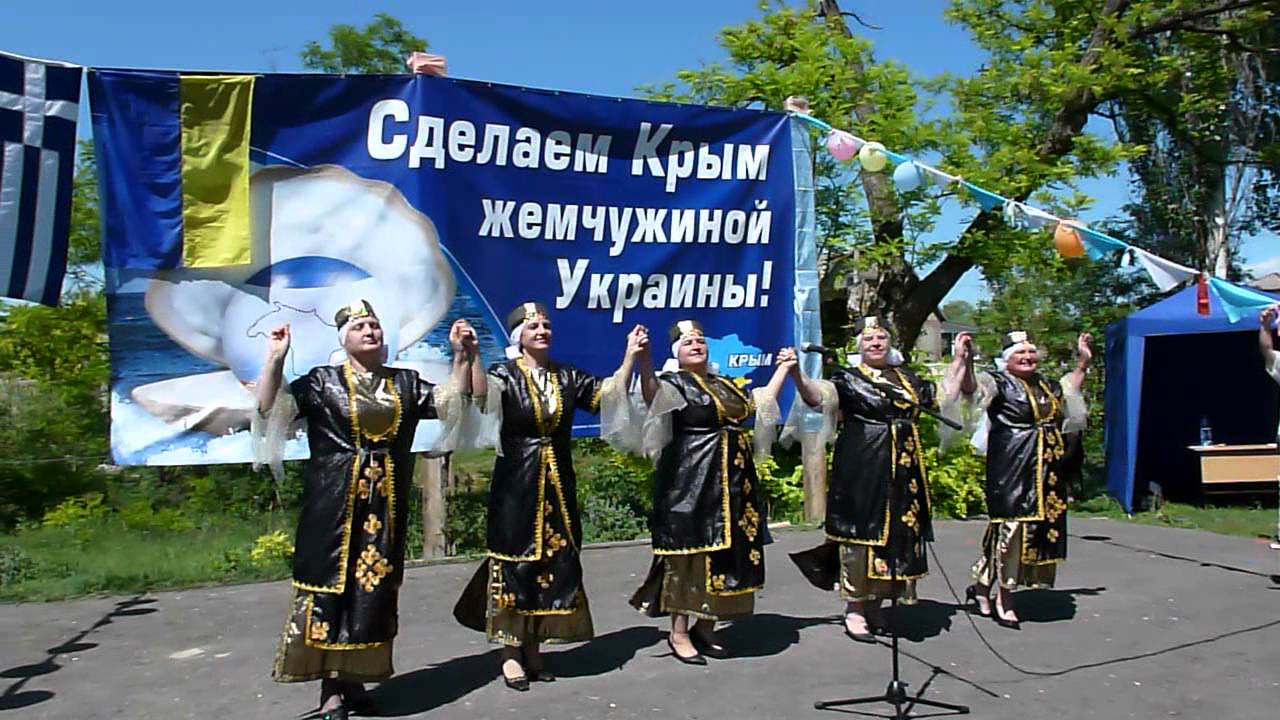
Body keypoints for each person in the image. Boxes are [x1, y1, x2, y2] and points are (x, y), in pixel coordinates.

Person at [256, 300, 483, 720]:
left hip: (384, 505)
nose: (369, 331)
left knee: (371, 591)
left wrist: (460, 356)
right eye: (360, 326)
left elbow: (453, 402)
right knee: (330, 589)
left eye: (375, 325)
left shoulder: (406, 384)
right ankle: (331, 690)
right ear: (343, 339)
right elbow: (272, 408)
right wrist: (274, 359)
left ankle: (354, 680)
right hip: (334, 502)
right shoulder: (322, 382)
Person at [452, 302, 648, 691]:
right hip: (517, 484)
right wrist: (470, 354)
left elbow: (606, 397)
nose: (542, 330)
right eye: (533, 327)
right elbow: (479, 396)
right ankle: (510, 652)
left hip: (557, 486)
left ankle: (536, 648)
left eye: (546, 325)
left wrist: (630, 356)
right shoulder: (503, 374)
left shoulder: (566, 375)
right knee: (514, 564)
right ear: (518, 338)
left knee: (552, 563)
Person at [628, 320, 789, 663]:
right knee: (690, 556)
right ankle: (679, 632)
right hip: (691, 480)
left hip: (733, 482)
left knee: (725, 555)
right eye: (688, 342)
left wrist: (783, 370)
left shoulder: (724, 384)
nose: (696, 345)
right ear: (677, 353)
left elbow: (756, 406)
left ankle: (707, 626)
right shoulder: (672, 384)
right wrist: (643, 360)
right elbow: (651, 395)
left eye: (700, 340)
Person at [785, 317, 938, 642]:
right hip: (862, 463)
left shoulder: (906, 378)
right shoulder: (846, 377)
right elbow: (817, 397)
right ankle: (855, 608)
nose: (876, 343)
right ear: (859, 346)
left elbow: (942, 397)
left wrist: (963, 362)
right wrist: (797, 373)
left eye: (882, 337)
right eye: (869, 339)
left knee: (895, 534)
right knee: (860, 536)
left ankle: (877, 604)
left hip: (902, 466)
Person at [941, 329, 1090, 629]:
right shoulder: (998, 382)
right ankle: (1004, 597)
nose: (1027, 357)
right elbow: (971, 388)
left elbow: (1069, 391)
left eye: (1030, 352)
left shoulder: (1046, 384)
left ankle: (983, 587)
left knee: (1033, 530)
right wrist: (965, 359)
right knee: (1011, 530)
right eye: (1019, 354)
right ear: (1007, 360)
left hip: (1046, 471)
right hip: (1012, 465)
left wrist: (1083, 363)